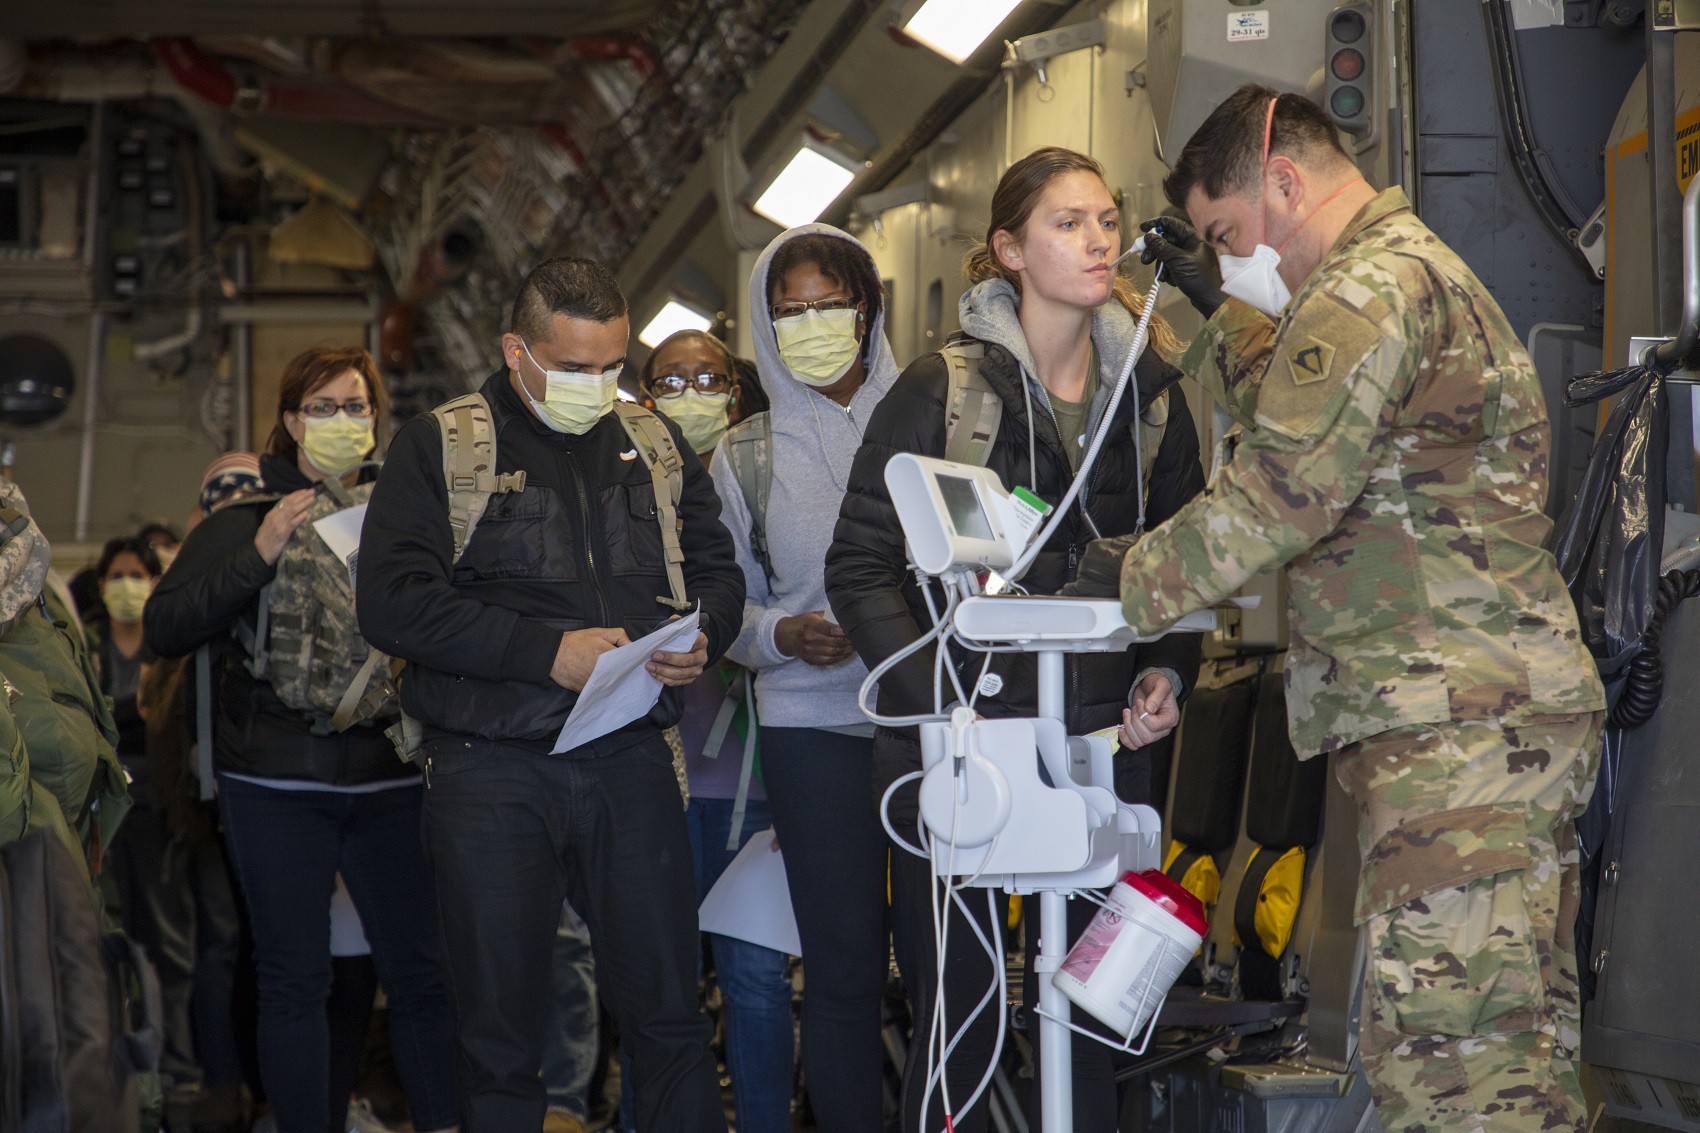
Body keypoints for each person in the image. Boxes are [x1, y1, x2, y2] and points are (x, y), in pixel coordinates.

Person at [1071, 85, 1605, 1132]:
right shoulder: (1396, 275)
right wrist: (1216, 309)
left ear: (1281, 180)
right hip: (1481, 718)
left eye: (1226, 236)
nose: (1229, 261)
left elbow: (1280, 491)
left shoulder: (1364, 289)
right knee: (1511, 1056)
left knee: (1450, 1069)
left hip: (1453, 727)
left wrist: (1114, 579)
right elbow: (1307, 416)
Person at [825, 147, 1206, 1133]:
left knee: (1098, 1006)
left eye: (1104, 221)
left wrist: (1165, 670)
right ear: (1007, 249)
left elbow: (1191, 562)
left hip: (1097, 753)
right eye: (1065, 223)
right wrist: (940, 712)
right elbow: (861, 567)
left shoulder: (1152, 398)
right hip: (962, 754)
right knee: (962, 1010)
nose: (1095, 241)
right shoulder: (942, 390)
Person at [356, 257, 745, 1132]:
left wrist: (704, 636)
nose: (595, 385)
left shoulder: (650, 441)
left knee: (671, 1018)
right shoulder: (444, 444)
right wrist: (545, 652)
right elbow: (393, 602)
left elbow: (717, 567)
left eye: (611, 366)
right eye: (573, 367)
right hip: (490, 769)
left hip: (630, 761)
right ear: (516, 351)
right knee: (497, 1035)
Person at [144, 346, 460, 1133]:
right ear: (289, 422)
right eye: (323, 407)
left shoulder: (406, 513)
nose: (344, 422)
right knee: (294, 979)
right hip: (277, 783)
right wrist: (257, 553)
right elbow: (167, 624)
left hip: (389, 777)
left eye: (358, 406)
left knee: (421, 974)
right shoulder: (248, 514)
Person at [703, 226, 904, 1133]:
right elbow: (723, 611)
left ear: (868, 308)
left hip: (934, 717)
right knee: (845, 964)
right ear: (764, 322)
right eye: (791, 311)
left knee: (949, 960)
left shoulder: (934, 412)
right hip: (810, 726)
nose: (814, 323)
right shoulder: (745, 453)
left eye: (831, 304)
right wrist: (780, 633)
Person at [636, 327, 798, 1133]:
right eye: (672, 380)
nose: (692, 394)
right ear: (641, 396)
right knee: (656, 985)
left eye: (710, 378)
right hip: (649, 781)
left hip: (753, 784)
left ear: (736, 395)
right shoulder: (620, 488)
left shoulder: (763, 484)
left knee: (757, 975)